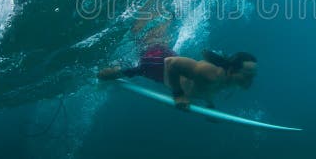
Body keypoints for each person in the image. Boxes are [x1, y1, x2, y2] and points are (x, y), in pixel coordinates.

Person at [97, 46, 257, 110]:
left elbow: (205, 89)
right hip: (157, 63)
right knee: (106, 75)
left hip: (164, 68)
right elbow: (170, 62)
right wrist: (178, 95)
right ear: (230, 70)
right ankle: (108, 69)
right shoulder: (210, 73)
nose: (250, 80)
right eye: (247, 74)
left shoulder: (231, 82)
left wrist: (209, 105)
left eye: (252, 75)